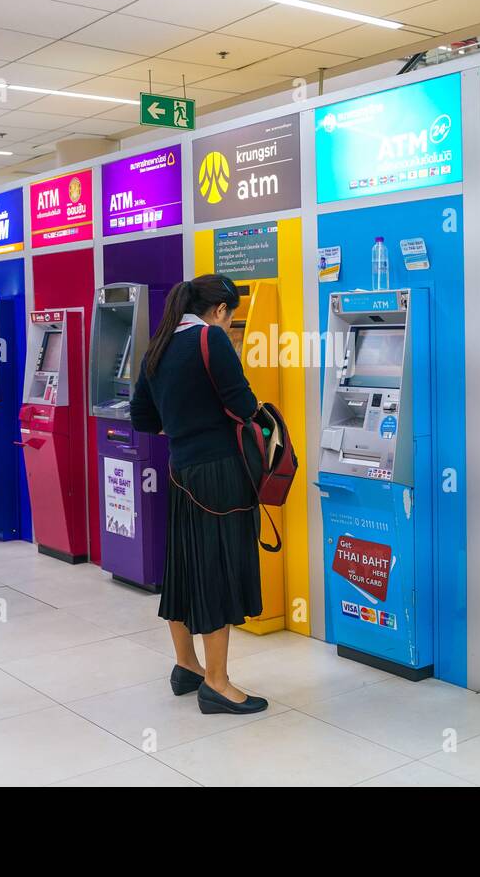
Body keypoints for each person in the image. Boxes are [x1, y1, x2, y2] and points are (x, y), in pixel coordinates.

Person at [130, 274, 268, 717]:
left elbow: (142, 418)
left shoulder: (161, 342)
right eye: (233, 318)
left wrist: (182, 425)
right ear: (222, 310)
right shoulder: (211, 339)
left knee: (185, 565)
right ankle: (217, 683)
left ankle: (186, 666)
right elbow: (244, 406)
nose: (231, 326)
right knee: (218, 570)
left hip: (180, 471)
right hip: (220, 475)